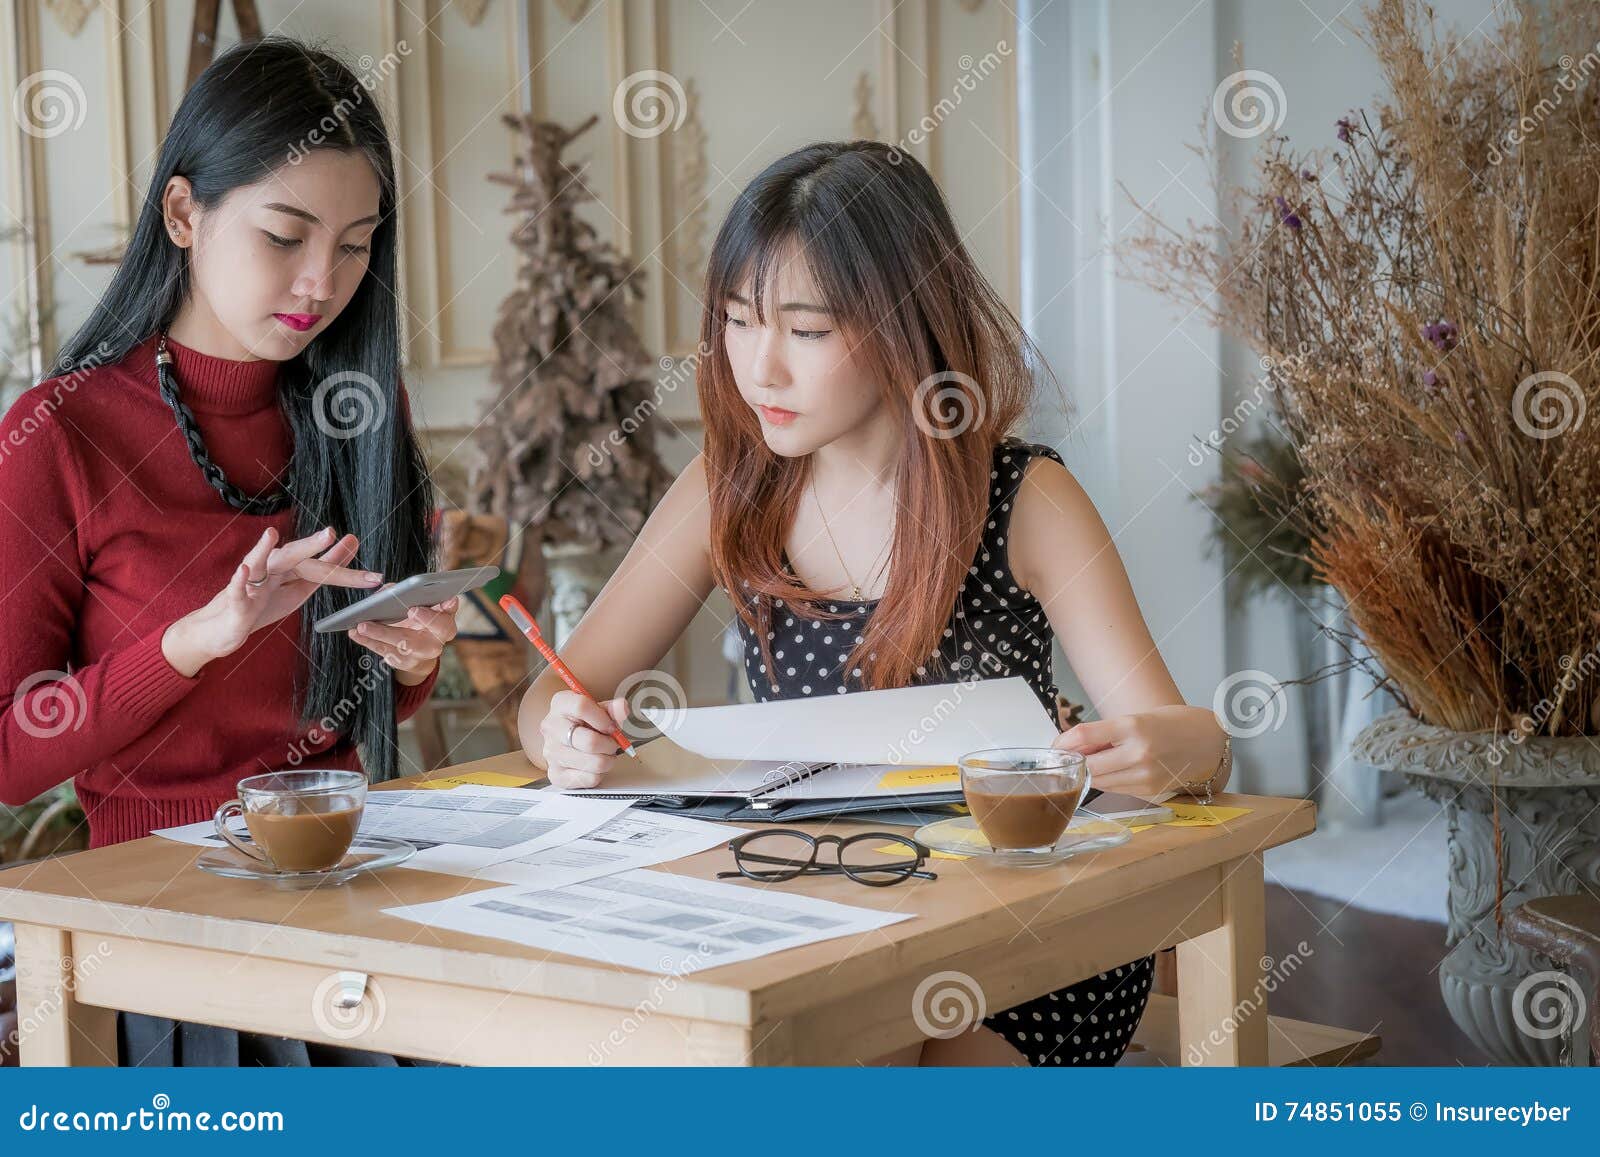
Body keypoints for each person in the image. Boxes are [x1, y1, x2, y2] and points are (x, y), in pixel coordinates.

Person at [514, 140, 1232, 1066]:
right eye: (737, 321)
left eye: (806, 331)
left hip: (1023, 929)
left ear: (905, 324)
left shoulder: (1026, 499)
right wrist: (563, 736)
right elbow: (552, 694)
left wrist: (1177, 748)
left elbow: (1192, 747)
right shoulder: (726, 489)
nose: (760, 369)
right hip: (823, 901)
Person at [0, 37, 458, 1065]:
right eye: (285, 235)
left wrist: (412, 660)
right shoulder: (59, 435)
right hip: (161, 927)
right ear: (182, 212)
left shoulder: (360, 406)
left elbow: (357, 698)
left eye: (356, 245)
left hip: (348, 892)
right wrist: (193, 642)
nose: (321, 280)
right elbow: (7, 755)